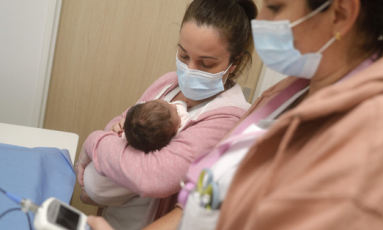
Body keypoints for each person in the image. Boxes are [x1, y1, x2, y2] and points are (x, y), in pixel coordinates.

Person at [139, 0, 383, 229]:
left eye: (275, 8)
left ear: (340, 14)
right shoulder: (293, 90)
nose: (261, 23)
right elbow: (192, 208)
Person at [75, 0, 257, 229]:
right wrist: (110, 142)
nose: (190, 69)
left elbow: (151, 176)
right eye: (183, 55)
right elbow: (119, 123)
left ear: (234, 62)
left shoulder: (227, 119)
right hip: (112, 218)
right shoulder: (168, 83)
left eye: (206, 64)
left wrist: (95, 143)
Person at [120, 99, 190, 153]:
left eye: (167, 102)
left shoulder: (130, 134)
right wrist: (183, 104)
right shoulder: (183, 124)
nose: (174, 105)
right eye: (176, 111)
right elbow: (181, 106)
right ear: (175, 131)